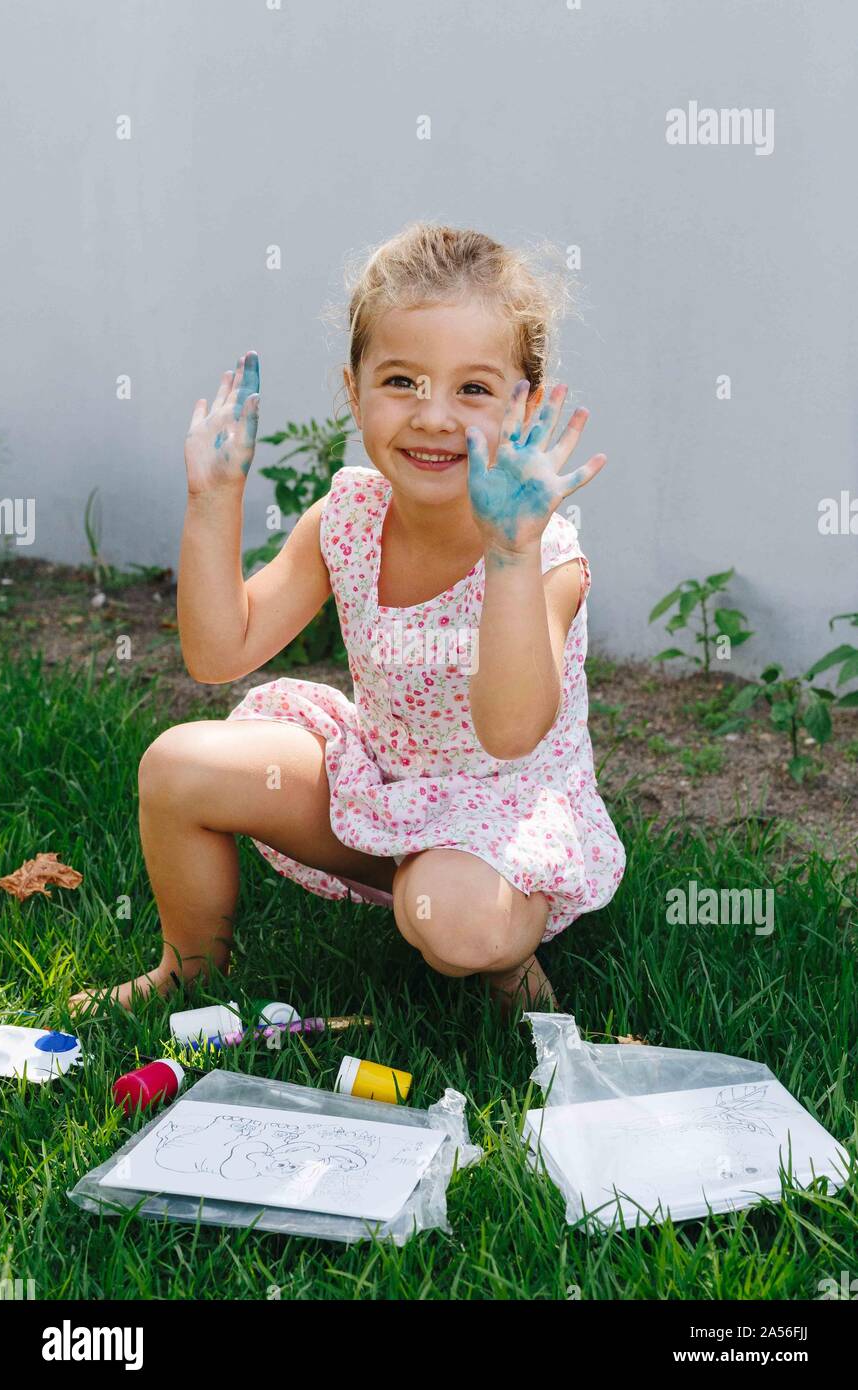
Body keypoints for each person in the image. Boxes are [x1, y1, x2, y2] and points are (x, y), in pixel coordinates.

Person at [69, 222, 625, 1022]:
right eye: (402, 380)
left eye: (472, 389)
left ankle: (504, 952)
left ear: (524, 406)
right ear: (353, 386)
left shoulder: (546, 558)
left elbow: (510, 733)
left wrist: (508, 552)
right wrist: (214, 498)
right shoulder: (350, 516)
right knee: (176, 765)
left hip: (500, 813)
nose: (433, 416)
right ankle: (189, 970)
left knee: (456, 925)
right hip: (382, 781)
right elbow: (219, 652)